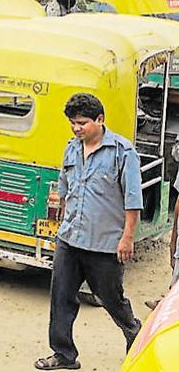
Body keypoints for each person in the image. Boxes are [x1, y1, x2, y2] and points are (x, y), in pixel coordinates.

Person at [34, 93, 142, 371]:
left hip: (106, 245)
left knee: (111, 299)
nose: (76, 128)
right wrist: (60, 225)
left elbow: (132, 200)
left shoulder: (123, 152)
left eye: (82, 123)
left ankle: (136, 335)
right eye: (73, 123)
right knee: (61, 297)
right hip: (70, 240)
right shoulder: (71, 148)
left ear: (100, 120)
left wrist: (127, 237)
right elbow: (65, 191)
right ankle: (64, 355)